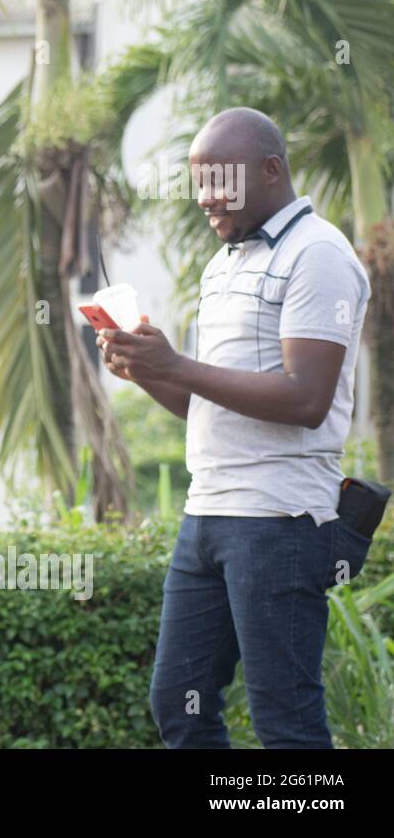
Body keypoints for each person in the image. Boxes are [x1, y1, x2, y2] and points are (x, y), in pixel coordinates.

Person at [99, 107, 373, 748]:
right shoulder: (223, 263)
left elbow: (306, 399)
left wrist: (178, 363)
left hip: (279, 522)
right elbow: (210, 404)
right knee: (179, 704)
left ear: (271, 170)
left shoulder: (320, 255)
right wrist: (147, 371)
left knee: (286, 721)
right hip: (208, 515)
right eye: (197, 183)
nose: (203, 199)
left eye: (217, 180)